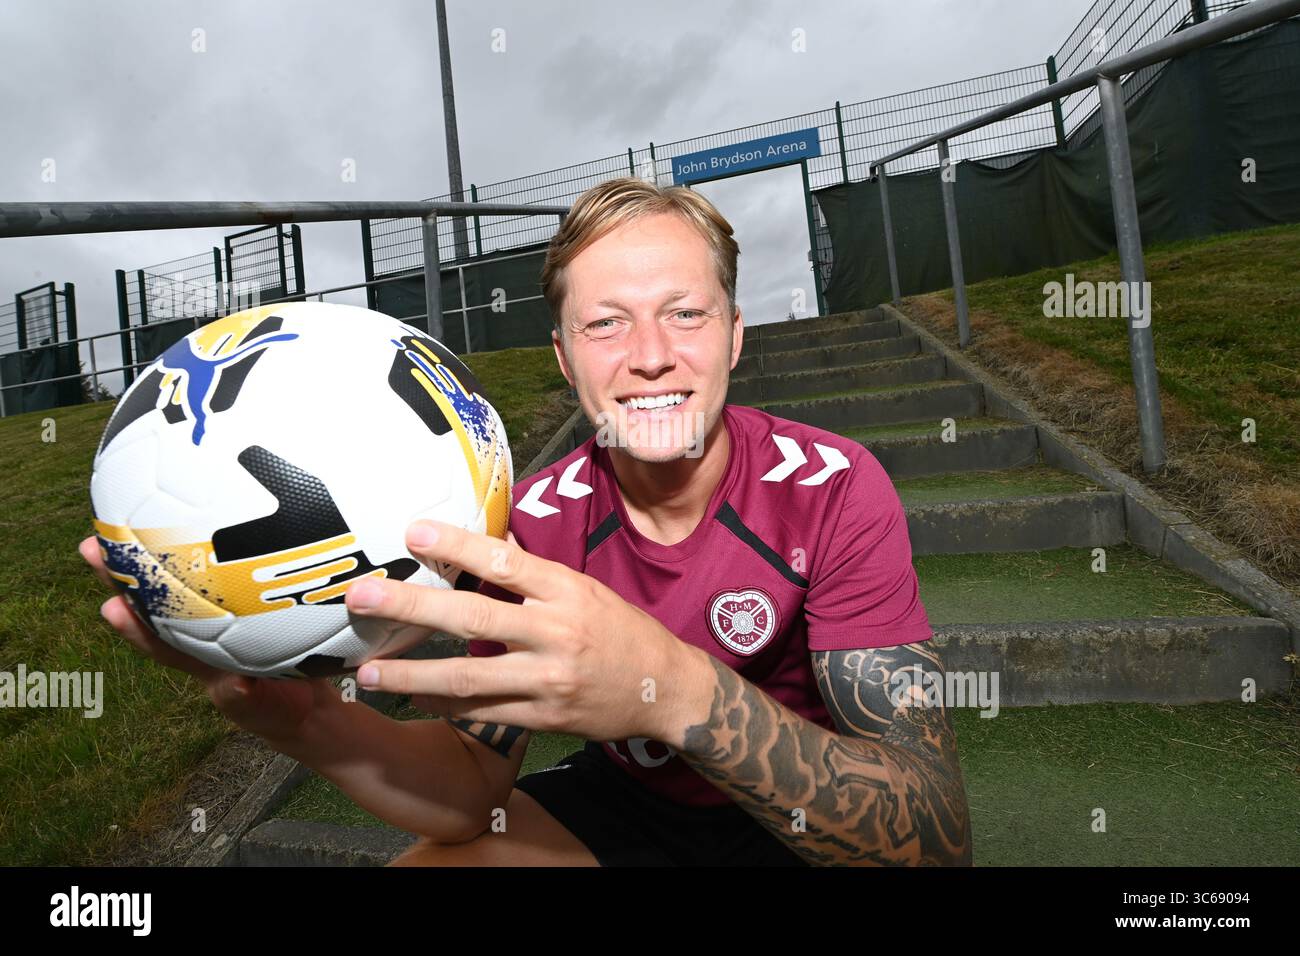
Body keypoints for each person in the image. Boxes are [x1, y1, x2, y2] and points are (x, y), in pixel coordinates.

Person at [81, 176, 972, 867]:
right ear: (563, 356)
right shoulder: (527, 526)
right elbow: (470, 794)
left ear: (735, 336)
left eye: (685, 314)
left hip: (803, 813)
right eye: (606, 324)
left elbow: (932, 835)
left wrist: (669, 685)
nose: (652, 356)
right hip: (630, 804)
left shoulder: (834, 485)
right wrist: (303, 723)